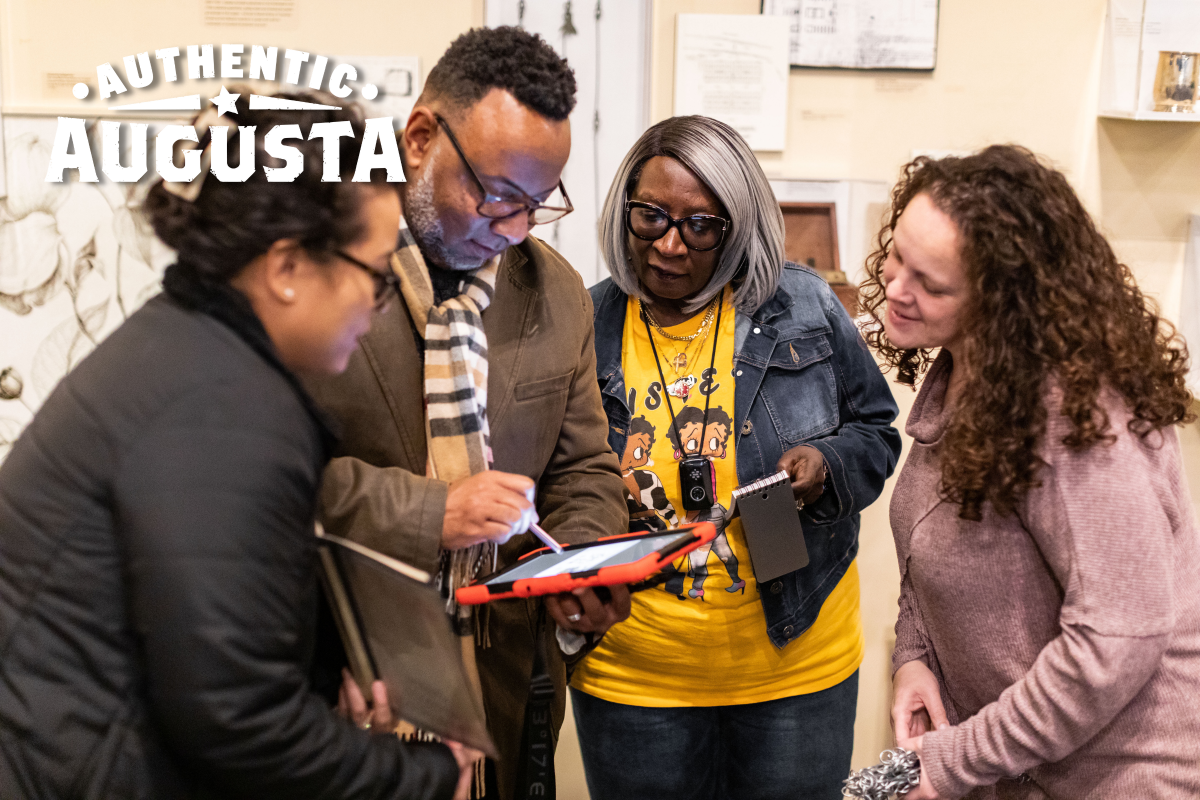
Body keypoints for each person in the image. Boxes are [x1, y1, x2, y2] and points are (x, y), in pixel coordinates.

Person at [0, 95, 476, 799]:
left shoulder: (185, 350)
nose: (377, 305)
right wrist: (424, 777)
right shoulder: (222, 410)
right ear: (286, 268)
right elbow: (236, 720)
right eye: (376, 276)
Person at [304, 28, 629, 800]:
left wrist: (578, 562)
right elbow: (256, 475)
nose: (513, 229)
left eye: (537, 204)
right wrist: (432, 514)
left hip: (501, 691)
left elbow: (583, 465)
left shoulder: (553, 291)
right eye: (497, 195)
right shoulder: (313, 268)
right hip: (337, 679)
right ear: (420, 138)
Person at [571, 115, 902, 800]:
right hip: (634, 679)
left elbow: (876, 431)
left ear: (737, 228)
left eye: (700, 226)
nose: (668, 244)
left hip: (797, 671)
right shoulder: (586, 323)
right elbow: (557, 478)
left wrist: (825, 465)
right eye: (650, 216)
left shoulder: (802, 305)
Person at [861, 145, 1200, 799]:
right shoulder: (970, 372)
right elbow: (932, 547)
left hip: (1120, 778)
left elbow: (1116, 640)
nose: (896, 289)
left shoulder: (1077, 423)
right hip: (1022, 767)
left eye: (931, 284)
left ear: (1002, 303)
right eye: (897, 257)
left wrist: (956, 759)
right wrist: (915, 655)